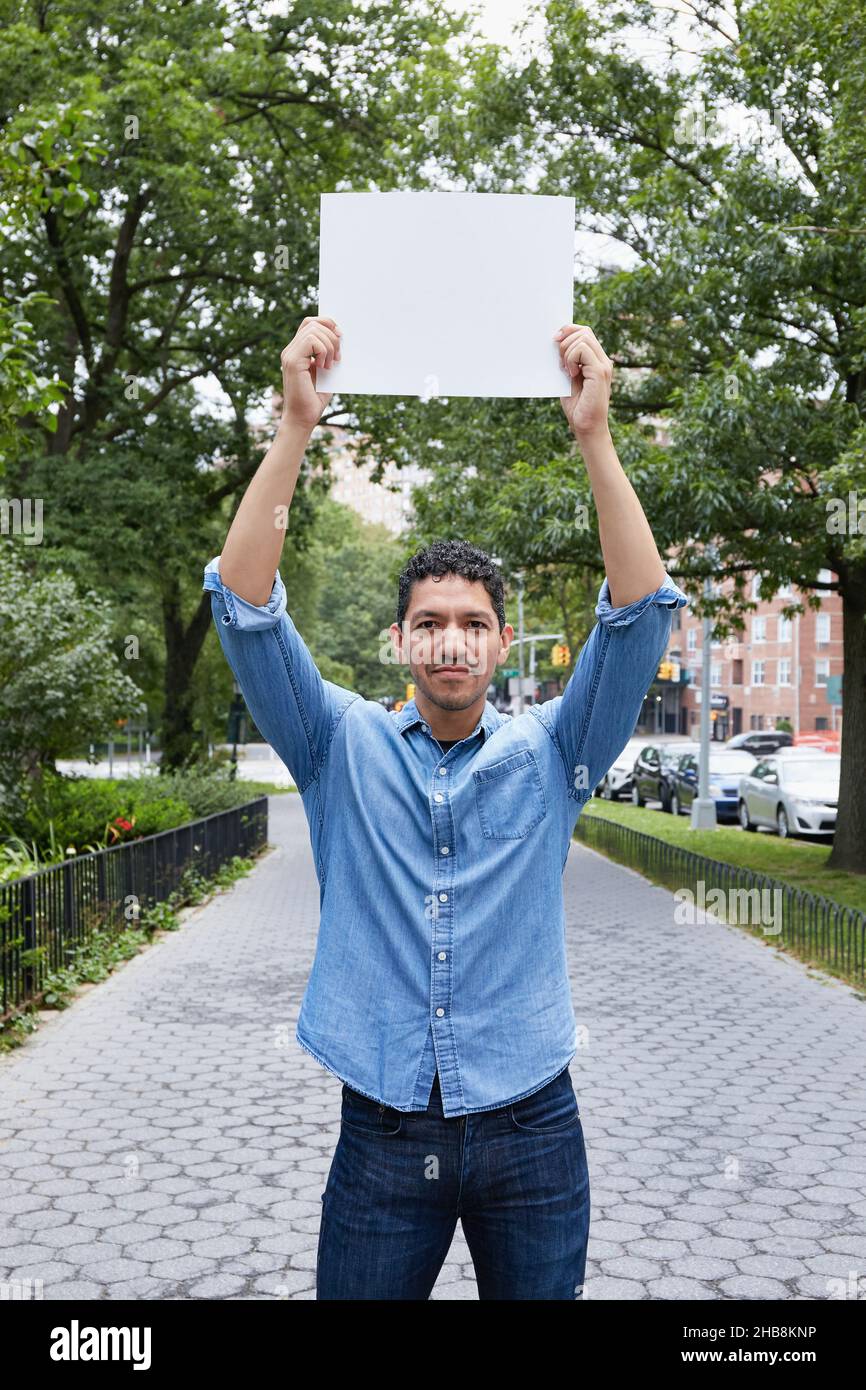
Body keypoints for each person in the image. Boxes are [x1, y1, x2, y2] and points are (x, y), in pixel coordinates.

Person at [202, 315, 688, 1299]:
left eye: (473, 623)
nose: (450, 641)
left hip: (532, 1129)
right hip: (382, 1136)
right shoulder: (336, 745)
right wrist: (295, 426)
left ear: (503, 643)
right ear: (399, 641)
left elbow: (639, 615)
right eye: (429, 623)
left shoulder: (553, 752)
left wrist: (595, 436)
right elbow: (245, 608)